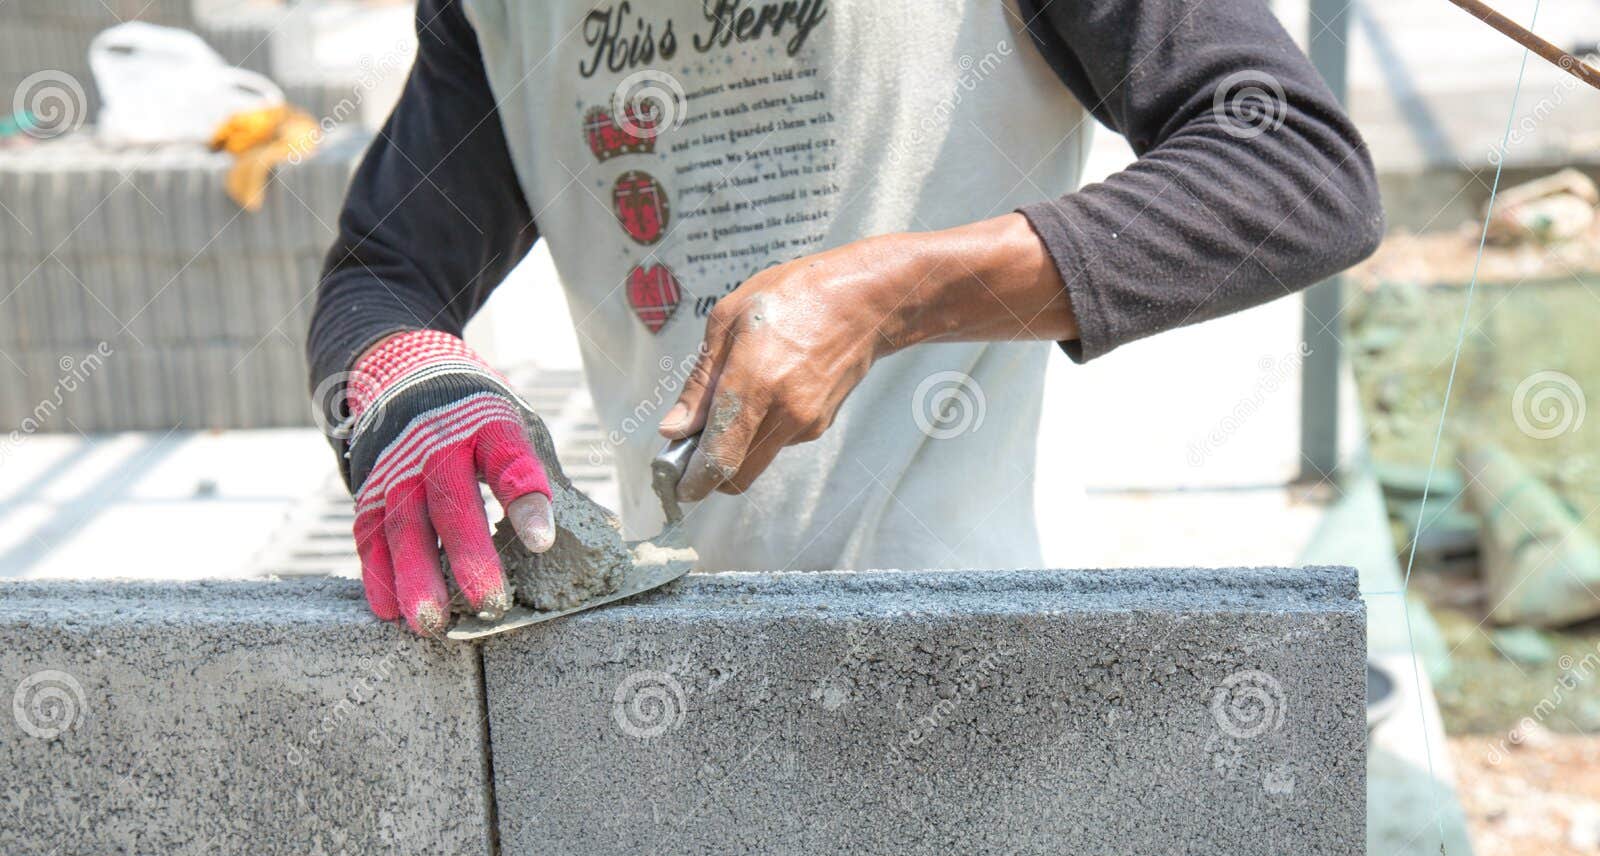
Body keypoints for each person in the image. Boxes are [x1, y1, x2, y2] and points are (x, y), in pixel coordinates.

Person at [309, 0, 1383, 636]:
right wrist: (410, 380)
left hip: (984, 639)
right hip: (689, 652)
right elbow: (388, 266)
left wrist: (894, 295)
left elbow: (1292, 168)